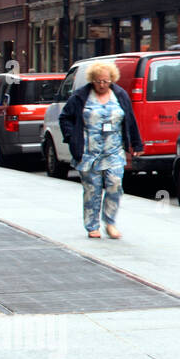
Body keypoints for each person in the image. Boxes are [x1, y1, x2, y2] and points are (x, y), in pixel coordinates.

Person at [58, 62, 144, 239]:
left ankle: (110, 222)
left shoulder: (120, 95)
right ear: (92, 80)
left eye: (106, 81)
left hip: (114, 151)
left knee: (115, 185)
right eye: (98, 81)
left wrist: (136, 144)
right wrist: (71, 137)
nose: (102, 85)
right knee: (92, 189)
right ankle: (92, 226)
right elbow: (65, 117)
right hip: (89, 153)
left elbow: (130, 119)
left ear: (112, 79)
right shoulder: (80, 96)